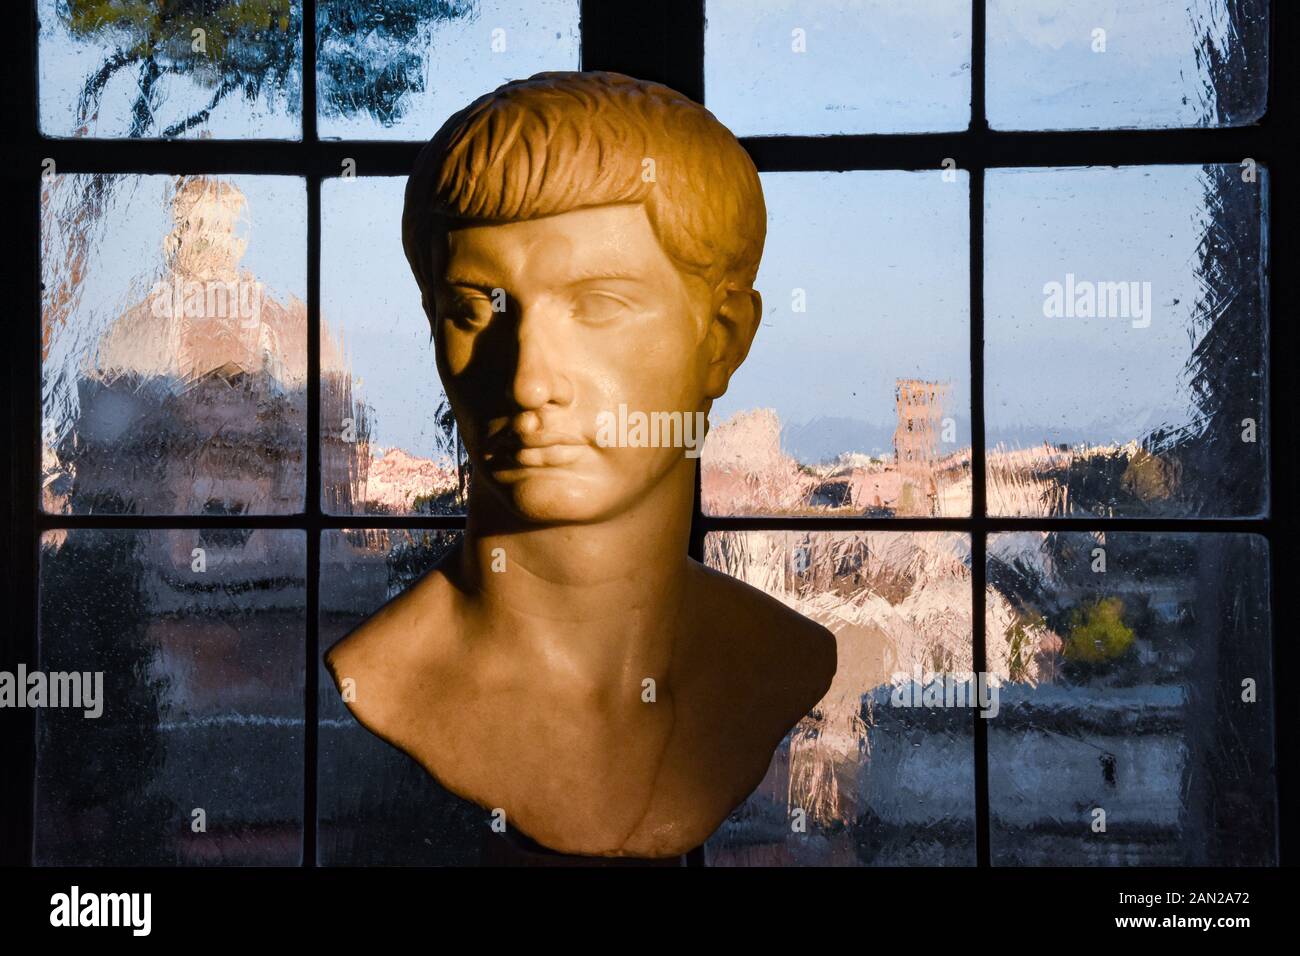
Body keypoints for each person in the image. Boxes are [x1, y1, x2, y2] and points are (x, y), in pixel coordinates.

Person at [327, 71, 836, 858]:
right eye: (474, 310)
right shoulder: (381, 678)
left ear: (723, 338)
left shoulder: (784, 660)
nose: (529, 379)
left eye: (598, 306)